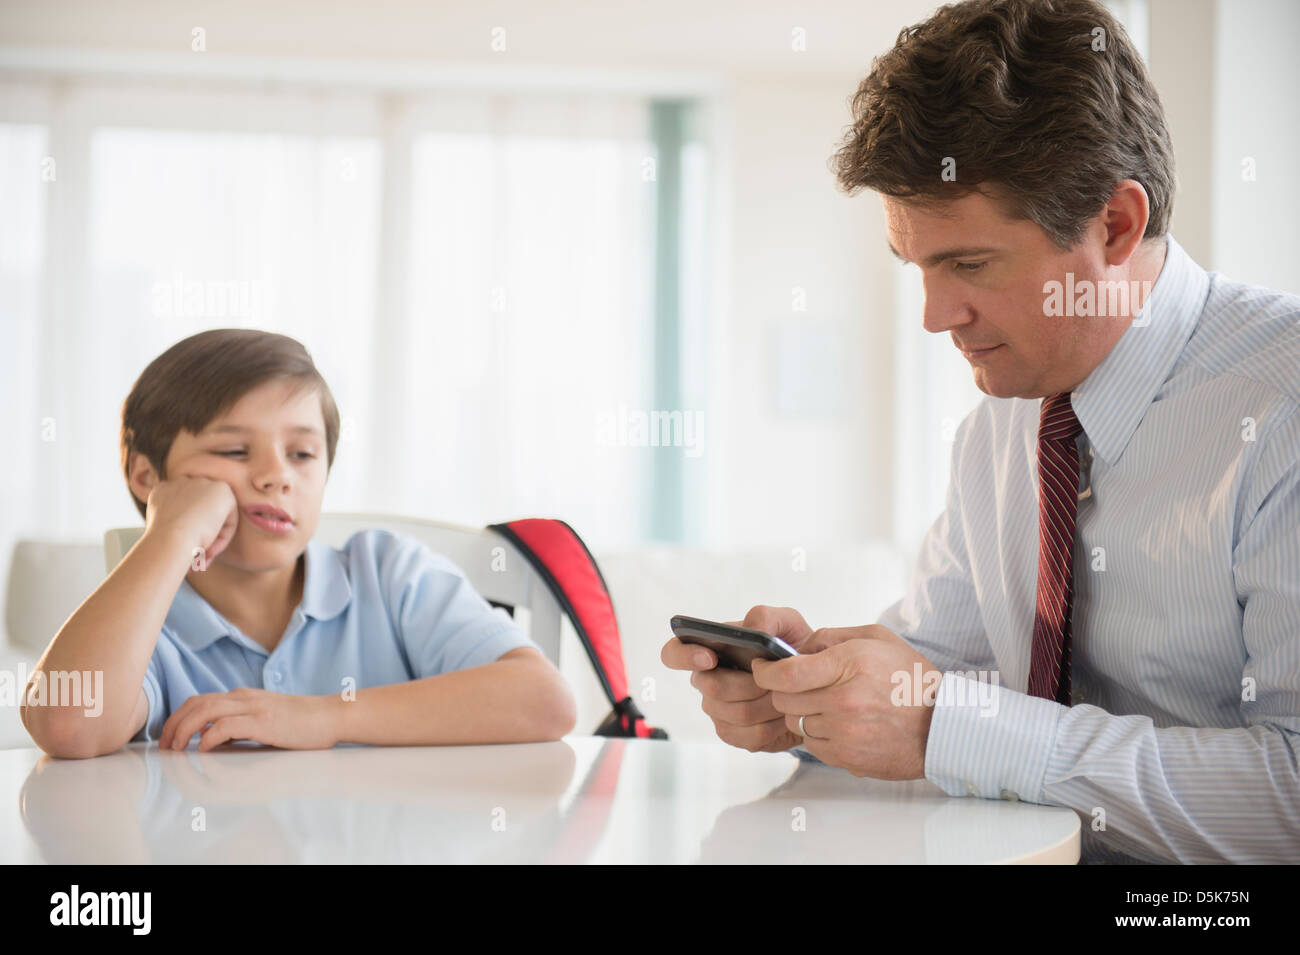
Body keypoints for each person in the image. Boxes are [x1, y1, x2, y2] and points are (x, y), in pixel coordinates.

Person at [663, 0, 1299, 863]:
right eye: (919, 268)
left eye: (968, 264)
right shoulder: (1002, 425)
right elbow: (945, 672)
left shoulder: (1282, 409)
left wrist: (943, 725)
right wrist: (811, 698)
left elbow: (1290, 796)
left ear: (1116, 225)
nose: (934, 317)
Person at [22, 328, 577, 757]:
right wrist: (168, 532)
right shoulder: (146, 625)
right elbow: (68, 723)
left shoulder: (388, 575)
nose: (276, 476)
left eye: (303, 454)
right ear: (149, 478)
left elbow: (546, 702)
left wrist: (321, 718)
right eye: (235, 453)